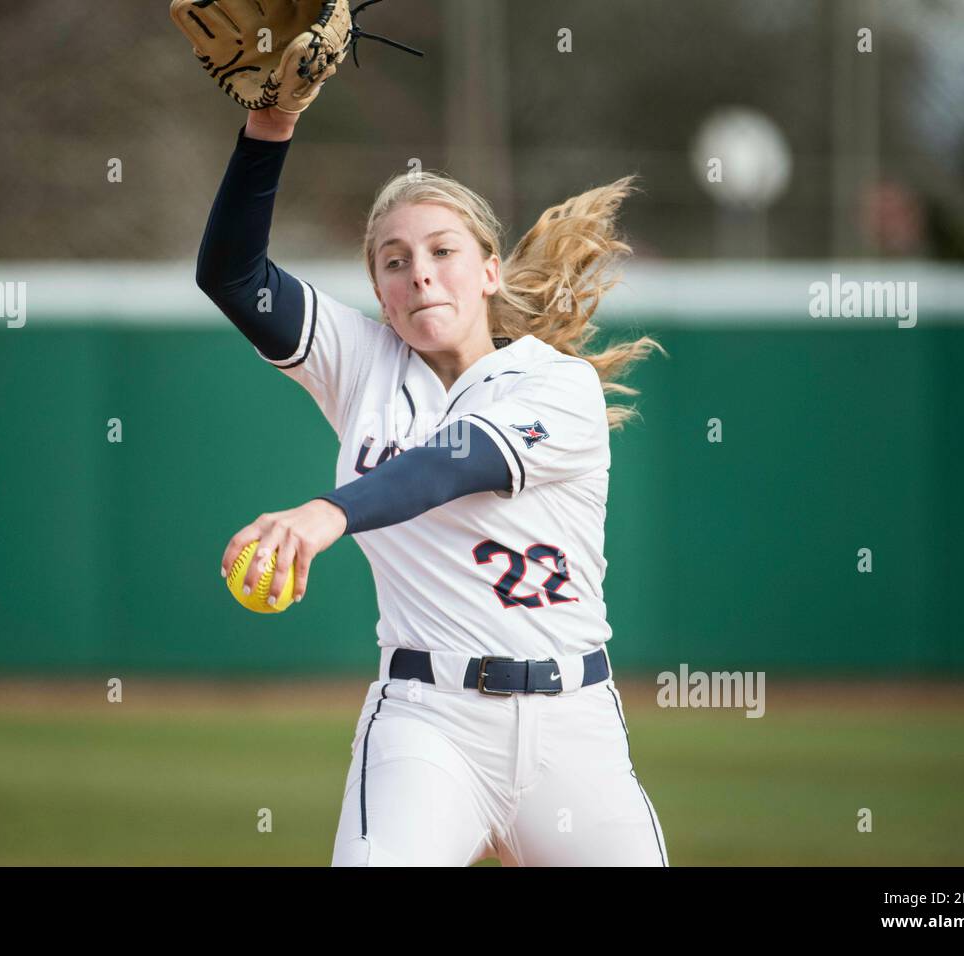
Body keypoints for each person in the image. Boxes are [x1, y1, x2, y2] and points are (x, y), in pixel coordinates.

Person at [198, 103, 667, 866]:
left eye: (441, 250)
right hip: (427, 721)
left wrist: (327, 513)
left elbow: (455, 461)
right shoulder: (362, 361)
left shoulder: (558, 386)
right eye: (393, 260)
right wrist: (270, 127)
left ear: (488, 271)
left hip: (572, 726)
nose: (418, 271)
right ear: (382, 295)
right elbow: (232, 274)